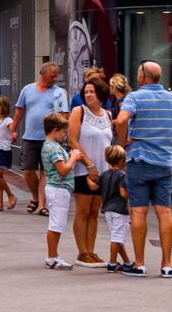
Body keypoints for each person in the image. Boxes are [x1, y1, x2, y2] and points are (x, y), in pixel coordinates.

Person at [113, 60, 172, 278]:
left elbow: (121, 120)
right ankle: (167, 265)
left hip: (139, 160)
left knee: (139, 211)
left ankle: (139, 263)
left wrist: (123, 142)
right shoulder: (171, 98)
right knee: (164, 211)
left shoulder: (134, 97)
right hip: (164, 161)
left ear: (142, 77)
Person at [11, 62, 69, 216]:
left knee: (45, 172)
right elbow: (19, 112)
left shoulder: (59, 93)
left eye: (56, 75)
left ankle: (42, 205)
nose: (55, 79)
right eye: (53, 76)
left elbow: (64, 115)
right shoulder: (27, 89)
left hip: (49, 139)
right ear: (43, 74)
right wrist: (12, 130)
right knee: (28, 170)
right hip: (30, 137)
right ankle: (36, 198)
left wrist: (61, 136)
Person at [68, 77, 113, 268]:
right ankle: (82, 252)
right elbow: (72, 140)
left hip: (104, 170)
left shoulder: (108, 115)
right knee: (83, 210)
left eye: (92, 92)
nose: (88, 95)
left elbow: (109, 143)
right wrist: (89, 165)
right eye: (86, 92)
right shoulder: (79, 112)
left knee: (95, 212)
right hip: (83, 170)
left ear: (101, 94)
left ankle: (91, 251)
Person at [41, 112, 83, 269]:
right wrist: (73, 158)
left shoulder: (49, 146)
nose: (65, 135)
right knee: (56, 224)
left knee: (56, 223)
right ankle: (51, 257)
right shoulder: (54, 149)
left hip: (57, 188)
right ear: (55, 130)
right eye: (63, 132)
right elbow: (63, 169)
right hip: (59, 188)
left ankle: (53, 255)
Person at [89, 144, 133, 273]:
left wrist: (87, 179)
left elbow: (93, 187)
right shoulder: (122, 176)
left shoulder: (104, 174)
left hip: (108, 210)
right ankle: (112, 263)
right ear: (122, 161)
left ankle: (127, 261)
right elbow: (123, 194)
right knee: (117, 238)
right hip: (120, 210)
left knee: (117, 237)